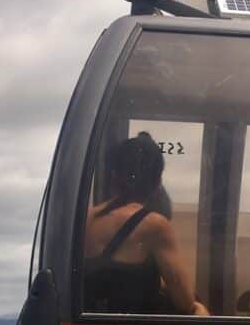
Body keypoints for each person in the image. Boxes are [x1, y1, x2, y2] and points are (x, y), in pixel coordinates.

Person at [84, 132, 208, 315]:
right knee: (199, 310)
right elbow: (184, 300)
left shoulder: (86, 218)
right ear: (158, 182)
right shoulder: (153, 225)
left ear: (113, 176)